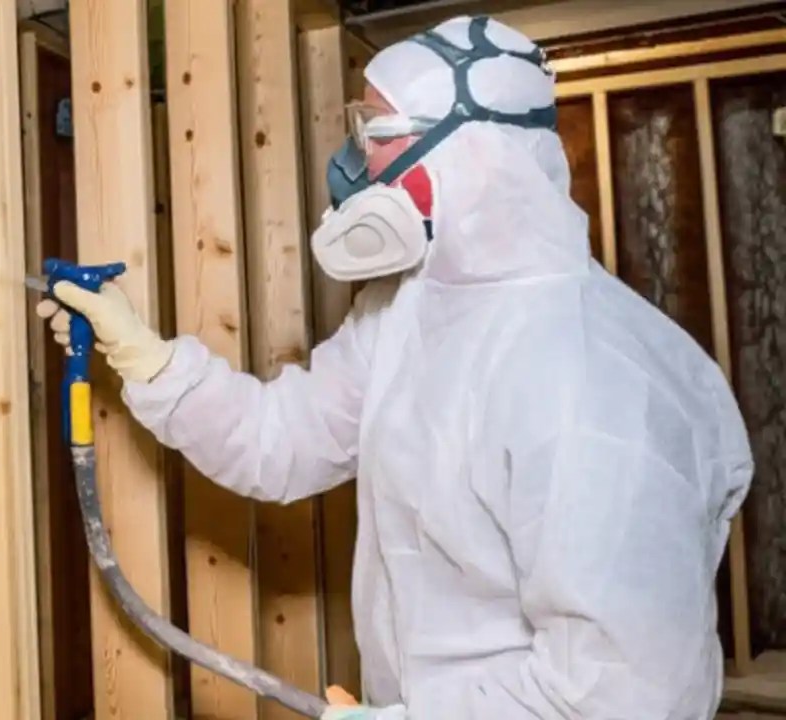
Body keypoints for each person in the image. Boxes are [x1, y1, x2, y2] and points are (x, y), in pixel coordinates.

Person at [37, 14, 753, 718]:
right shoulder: (405, 312)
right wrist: (145, 357)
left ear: (471, 157)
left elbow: (623, 693)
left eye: (375, 135)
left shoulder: (596, 383)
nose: (356, 164)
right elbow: (280, 440)